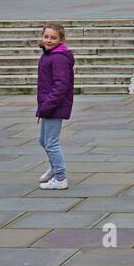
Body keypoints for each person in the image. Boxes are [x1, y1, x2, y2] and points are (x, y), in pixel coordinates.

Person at [36, 22, 75, 189]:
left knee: (51, 142)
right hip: (48, 104)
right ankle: (54, 168)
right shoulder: (48, 54)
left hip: (54, 105)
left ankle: (60, 178)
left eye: (53, 38)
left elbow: (61, 86)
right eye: (46, 37)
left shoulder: (58, 58)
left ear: (61, 39)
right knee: (43, 140)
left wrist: (47, 106)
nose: (49, 40)